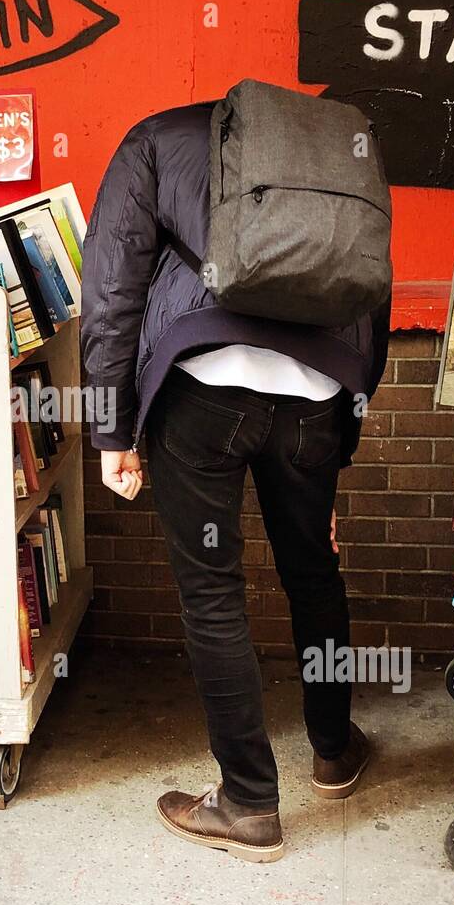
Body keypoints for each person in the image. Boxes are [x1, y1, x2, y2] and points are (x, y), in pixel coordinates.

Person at [79, 91, 390, 863]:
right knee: (314, 571)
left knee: (212, 593)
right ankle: (332, 752)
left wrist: (111, 428)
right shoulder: (339, 148)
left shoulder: (157, 135)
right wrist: (341, 440)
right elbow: (372, 294)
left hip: (202, 391)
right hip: (318, 397)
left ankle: (249, 804)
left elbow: (112, 286)